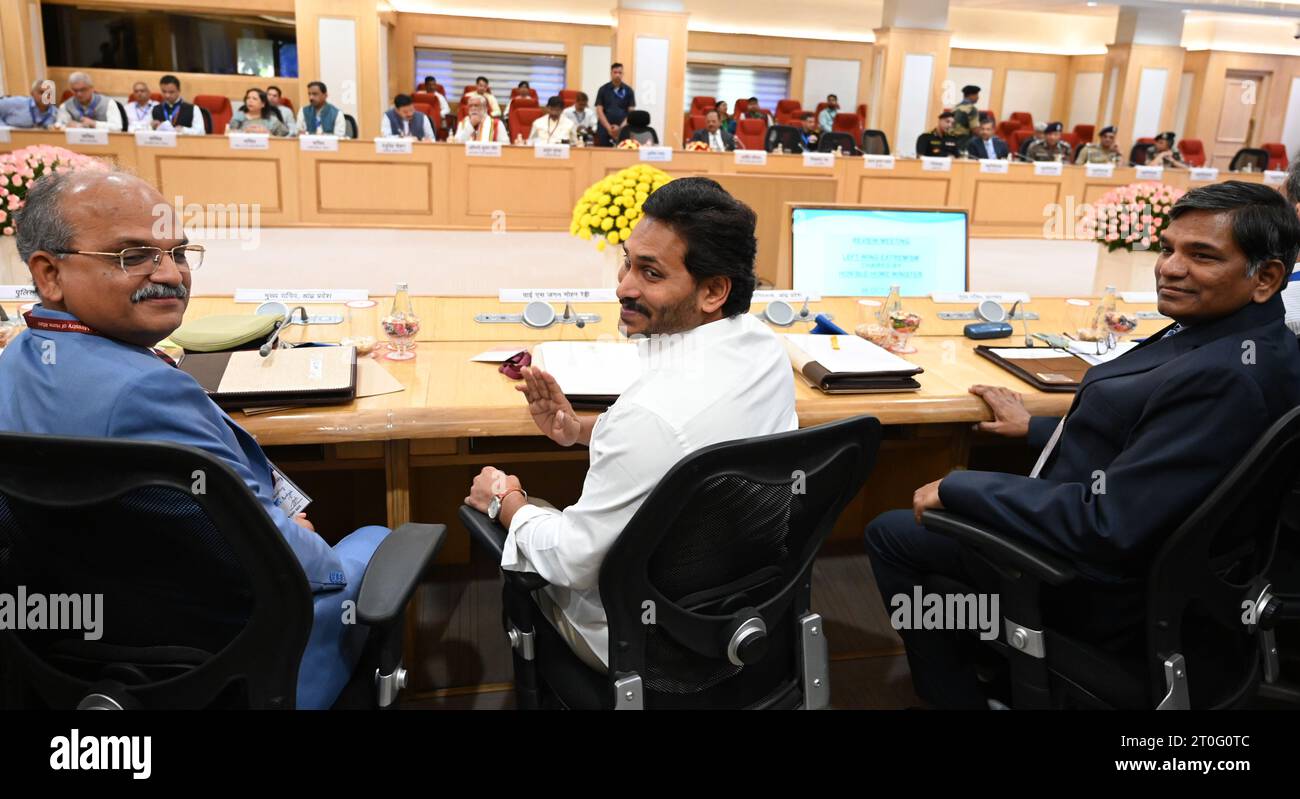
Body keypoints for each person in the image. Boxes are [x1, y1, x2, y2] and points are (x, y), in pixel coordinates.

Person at [865, 180, 1300, 708]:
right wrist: (1037, 429)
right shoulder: (1253, 340)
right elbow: (1163, 453)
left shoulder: (1223, 377)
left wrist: (963, 488)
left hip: (1102, 590)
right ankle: (993, 665)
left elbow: (1108, 522)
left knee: (892, 534)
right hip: (1179, 579)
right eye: (1167, 248)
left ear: (1267, 277)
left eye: (1201, 256)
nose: (1169, 267)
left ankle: (962, 693)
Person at [0, 169, 392, 709]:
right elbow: (289, 563)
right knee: (376, 539)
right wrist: (293, 538)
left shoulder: (16, 360)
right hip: (229, 662)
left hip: (72, 659)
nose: (169, 273)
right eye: (132, 255)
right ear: (49, 274)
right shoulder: (149, 393)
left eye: (178, 251)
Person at [463, 177, 798, 671]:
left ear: (713, 291)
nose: (623, 286)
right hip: (744, 609)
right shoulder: (765, 349)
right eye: (627, 261)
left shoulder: (649, 418)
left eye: (651, 272)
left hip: (645, 638)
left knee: (530, 516)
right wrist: (579, 430)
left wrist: (505, 501)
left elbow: (572, 563)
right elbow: (686, 440)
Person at [56, 71, 124, 131]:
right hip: (76, 144)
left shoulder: (108, 103)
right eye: (75, 90)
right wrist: (67, 127)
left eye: (83, 90)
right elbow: (58, 127)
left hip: (104, 143)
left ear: (92, 88)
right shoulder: (65, 106)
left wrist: (94, 124)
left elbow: (117, 128)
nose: (79, 94)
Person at [595, 63, 636, 147]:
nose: (617, 75)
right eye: (615, 72)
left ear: (623, 74)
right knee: (603, 154)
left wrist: (620, 128)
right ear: (611, 73)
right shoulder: (603, 89)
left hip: (623, 128)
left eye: (620, 73)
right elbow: (599, 110)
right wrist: (609, 128)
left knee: (623, 154)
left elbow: (631, 113)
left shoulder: (629, 90)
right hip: (604, 128)